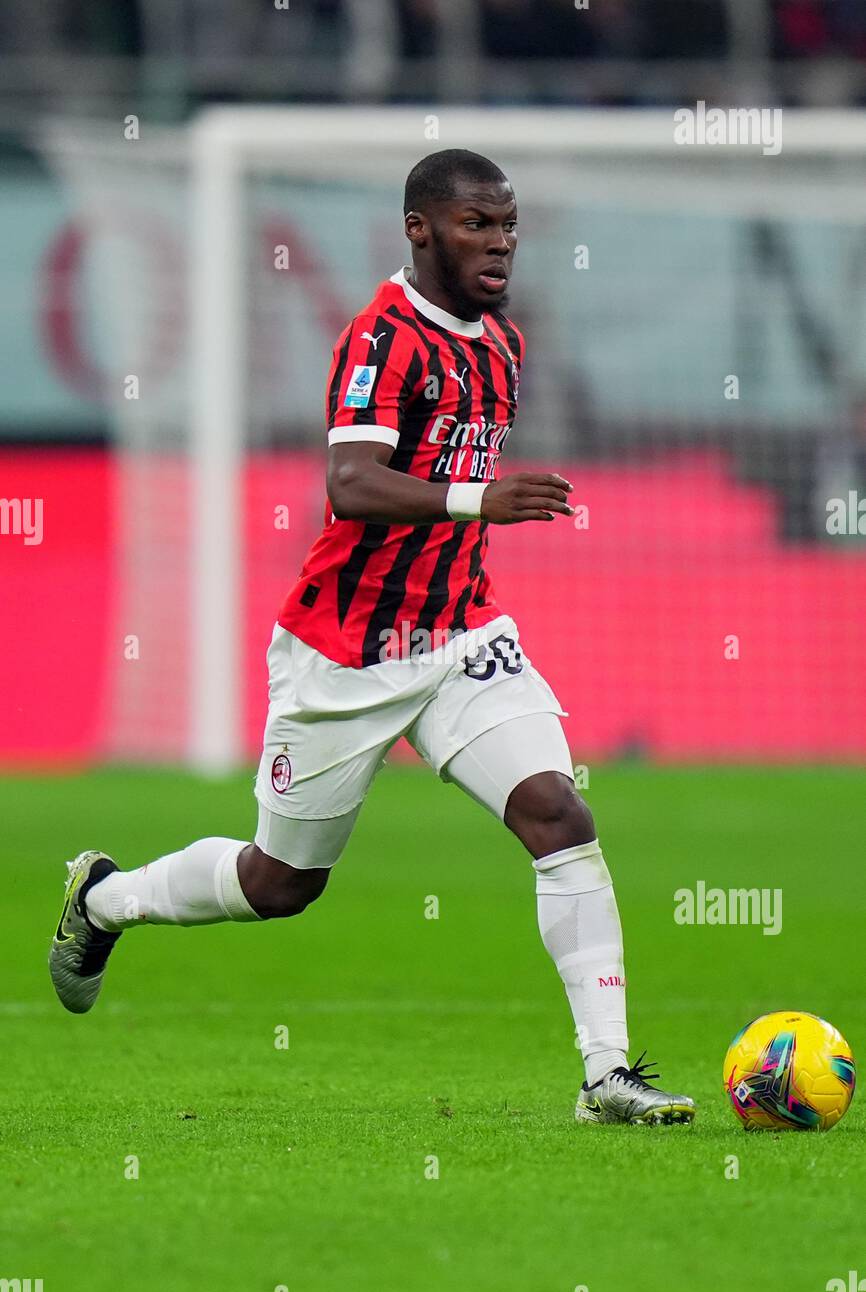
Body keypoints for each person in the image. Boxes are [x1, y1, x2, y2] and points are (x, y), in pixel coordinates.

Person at [50, 148, 695, 1127]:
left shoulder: (501, 341)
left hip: (463, 633)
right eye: (476, 223)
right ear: (419, 228)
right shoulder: (380, 337)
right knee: (279, 883)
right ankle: (104, 899)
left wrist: (472, 526)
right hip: (345, 649)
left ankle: (604, 1073)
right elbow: (350, 483)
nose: (499, 242)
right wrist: (483, 498)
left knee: (556, 814)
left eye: (507, 225)